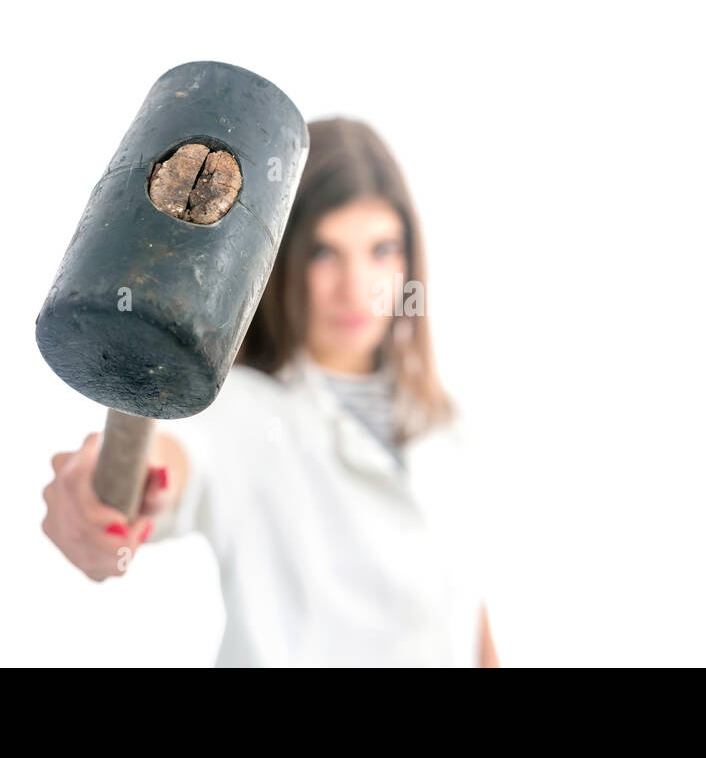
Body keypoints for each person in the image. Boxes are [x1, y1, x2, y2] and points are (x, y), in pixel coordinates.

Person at [41, 117, 499, 667]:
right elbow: (172, 460)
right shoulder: (239, 411)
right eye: (323, 253)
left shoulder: (446, 426)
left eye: (380, 249)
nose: (355, 287)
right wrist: (103, 491)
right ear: (279, 259)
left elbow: (466, 615)